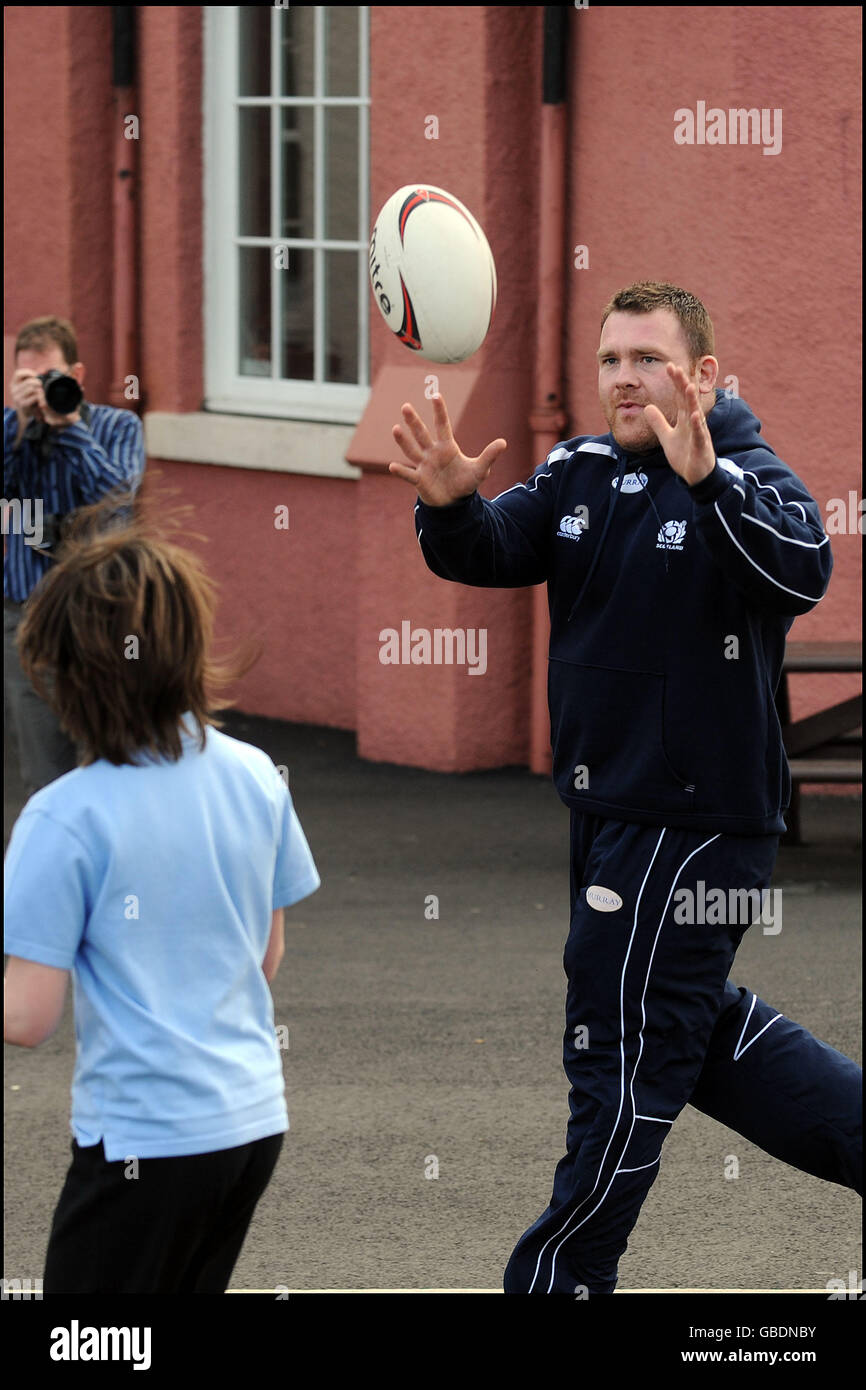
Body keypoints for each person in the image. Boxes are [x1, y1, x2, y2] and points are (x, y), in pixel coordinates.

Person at [389, 280, 861, 1295]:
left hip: (695, 826)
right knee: (689, 1032)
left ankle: (559, 1278)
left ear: (698, 374)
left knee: (619, 1050)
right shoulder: (579, 468)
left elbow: (800, 572)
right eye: (608, 360)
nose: (623, 380)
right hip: (606, 813)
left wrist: (709, 485)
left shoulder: (747, 472)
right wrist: (446, 503)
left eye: (646, 359)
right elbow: (494, 548)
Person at [3, 497, 320, 1294]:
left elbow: (25, 1018)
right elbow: (266, 957)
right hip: (251, 1123)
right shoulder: (254, 773)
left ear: (65, 674)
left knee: (87, 1349)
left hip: (142, 1142)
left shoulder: (63, 818)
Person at [3, 316, 145, 796]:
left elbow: (116, 500)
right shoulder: (10, 431)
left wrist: (68, 429)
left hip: (100, 621)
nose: (43, 390)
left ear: (77, 376)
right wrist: (19, 427)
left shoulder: (117, 426)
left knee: (108, 767)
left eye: (52, 378)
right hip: (28, 619)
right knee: (45, 782)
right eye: (30, 380)